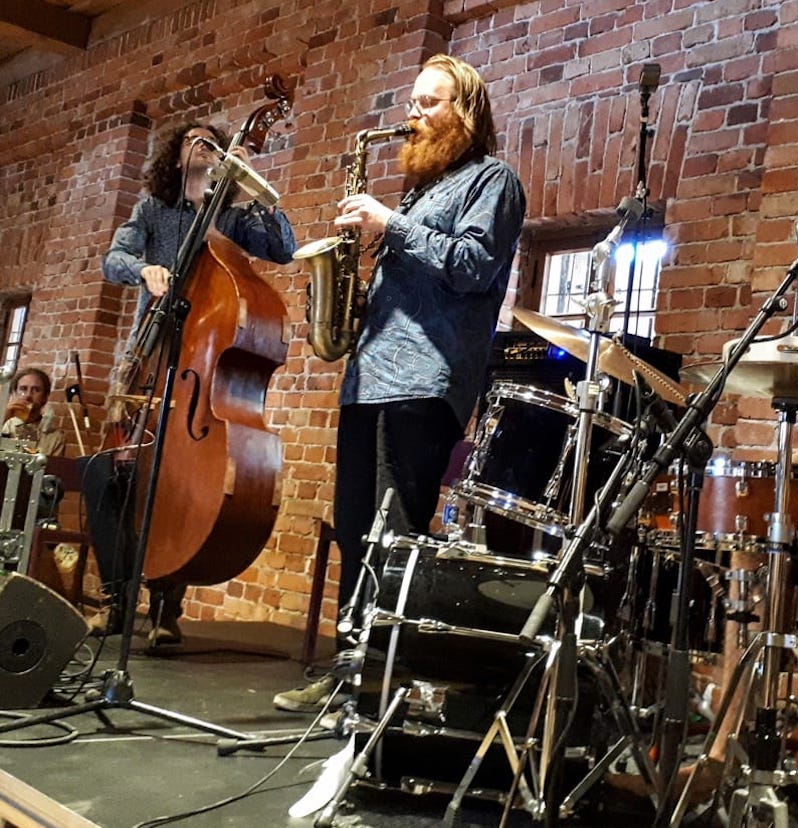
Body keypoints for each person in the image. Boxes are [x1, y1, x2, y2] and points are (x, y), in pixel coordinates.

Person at [272, 53, 526, 713]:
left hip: (423, 380)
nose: (413, 116)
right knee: (357, 529)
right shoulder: (420, 191)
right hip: (368, 376)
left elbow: (472, 265)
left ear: (465, 112)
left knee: (396, 535)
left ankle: (383, 681)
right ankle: (349, 669)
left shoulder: (492, 180)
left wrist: (392, 226)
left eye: (429, 103)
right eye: (412, 103)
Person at [92, 121, 296, 646]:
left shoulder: (230, 217)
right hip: (150, 358)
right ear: (176, 155)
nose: (201, 145)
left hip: (197, 376)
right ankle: (118, 598)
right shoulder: (152, 210)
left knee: (183, 481)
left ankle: (166, 608)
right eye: (192, 139)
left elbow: (284, 248)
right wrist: (144, 270)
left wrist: (256, 191)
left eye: (211, 140)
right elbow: (112, 259)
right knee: (105, 474)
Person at [2, 368, 67, 457]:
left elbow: (53, 468)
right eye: (23, 389)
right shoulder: (5, 425)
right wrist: (3, 418)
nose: (28, 395)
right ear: (14, 393)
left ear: (44, 397)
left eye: (35, 390)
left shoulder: (55, 437)